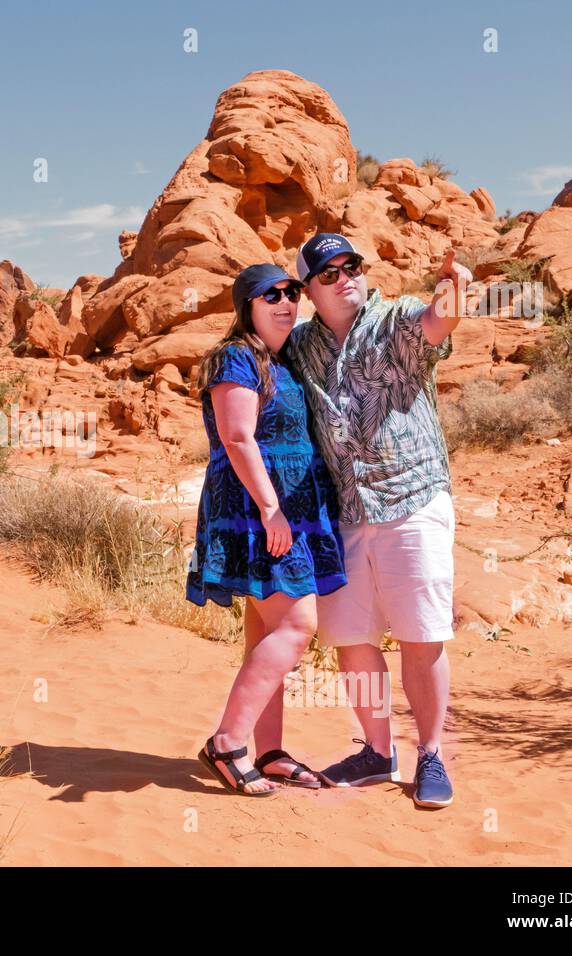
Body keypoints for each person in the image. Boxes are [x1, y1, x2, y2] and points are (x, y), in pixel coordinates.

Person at [282, 232, 470, 809]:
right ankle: (377, 751)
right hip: (347, 511)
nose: (346, 278)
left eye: (352, 266)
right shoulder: (303, 346)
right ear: (310, 290)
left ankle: (431, 754)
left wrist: (456, 287)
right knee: (351, 638)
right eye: (330, 273)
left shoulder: (393, 320)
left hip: (412, 500)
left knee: (421, 633)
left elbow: (440, 321)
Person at [187, 263, 347, 796]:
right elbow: (237, 438)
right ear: (247, 306)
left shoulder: (280, 361)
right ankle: (227, 742)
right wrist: (272, 507)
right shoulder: (237, 357)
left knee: (265, 629)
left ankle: (270, 750)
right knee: (298, 625)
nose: (285, 301)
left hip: (283, 511)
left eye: (292, 292)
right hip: (257, 512)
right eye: (270, 294)